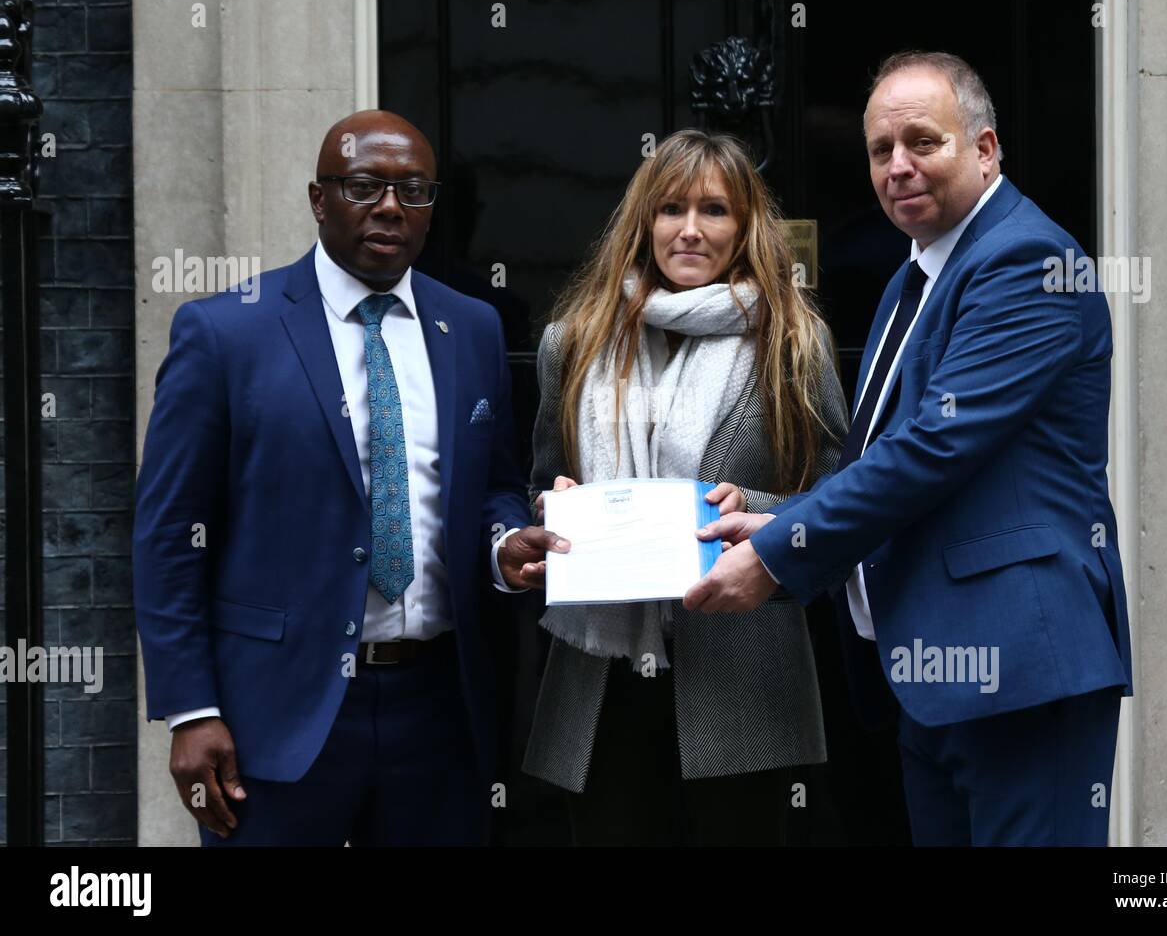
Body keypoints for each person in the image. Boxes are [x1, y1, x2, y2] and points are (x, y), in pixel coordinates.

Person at [686, 52, 1133, 846]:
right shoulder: (913, 276)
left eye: (924, 142)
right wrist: (781, 518)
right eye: (879, 151)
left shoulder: (1028, 262)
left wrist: (782, 551)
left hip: (1021, 668)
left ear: (987, 149)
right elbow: (884, 462)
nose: (898, 167)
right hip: (930, 677)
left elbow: (933, 450)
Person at [133, 110, 564, 845]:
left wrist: (501, 548)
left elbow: (493, 484)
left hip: (439, 708)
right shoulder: (226, 331)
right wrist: (190, 709)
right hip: (274, 715)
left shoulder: (474, 327)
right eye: (365, 186)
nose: (391, 207)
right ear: (318, 198)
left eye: (414, 191)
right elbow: (169, 534)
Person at [520, 129, 848, 845]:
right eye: (670, 209)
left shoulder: (793, 341)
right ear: (644, 221)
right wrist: (554, 505)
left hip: (744, 677)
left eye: (715, 210)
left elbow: (843, 498)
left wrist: (756, 509)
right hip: (601, 680)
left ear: (746, 226)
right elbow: (540, 483)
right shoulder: (573, 340)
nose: (691, 229)